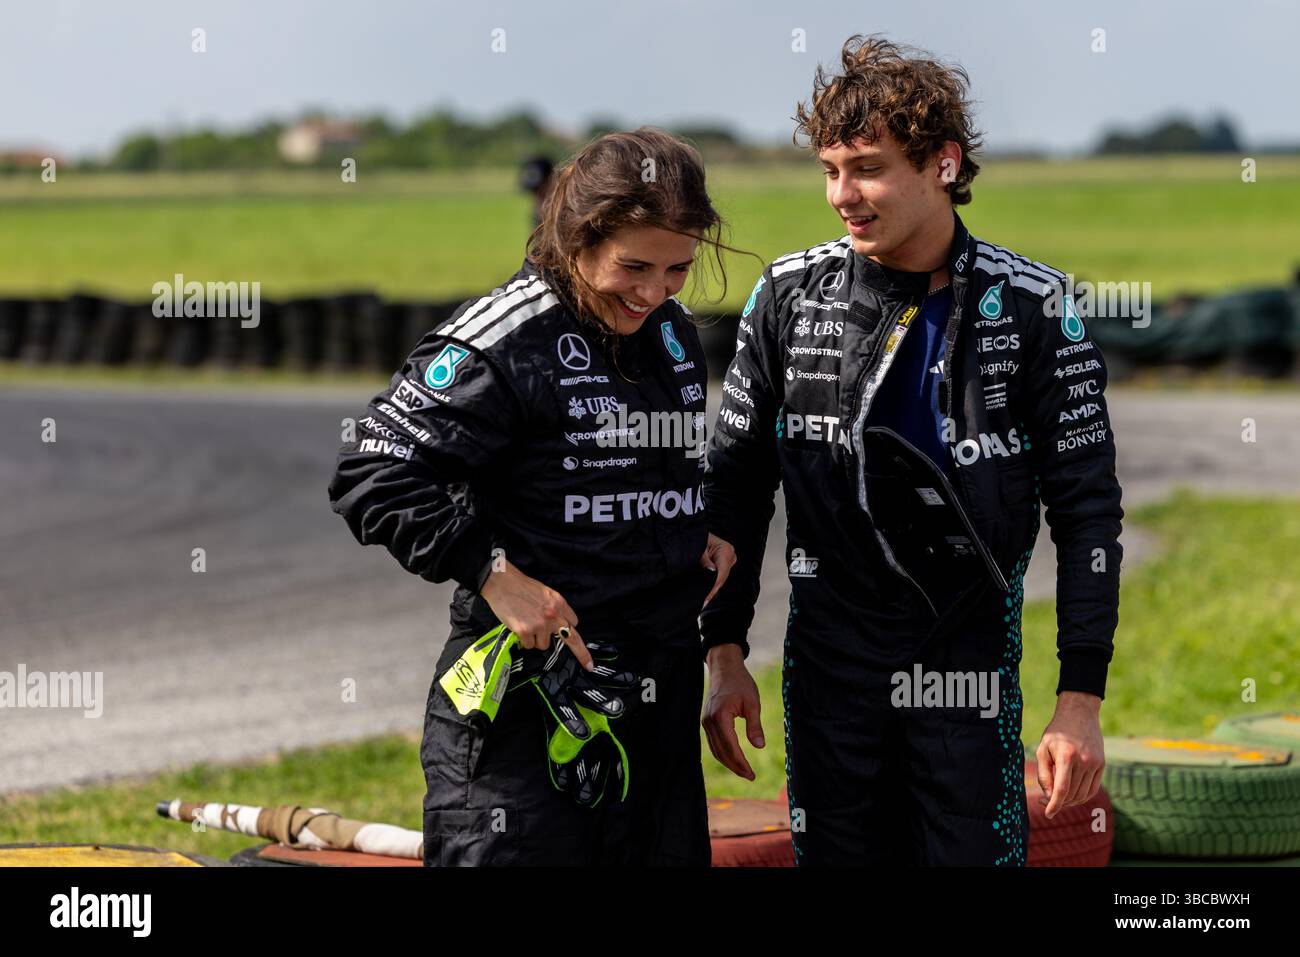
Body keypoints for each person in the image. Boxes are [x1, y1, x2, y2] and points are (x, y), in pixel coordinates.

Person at [700, 35, 1124, 866]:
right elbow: (733, 484)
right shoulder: (787, 295)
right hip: (829, 655)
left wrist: (1081, 697)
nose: (841, 195)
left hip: (966, 657)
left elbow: (1089, 512)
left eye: (866, 168)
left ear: (943, 162)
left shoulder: (1036, 307)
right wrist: (723, 650)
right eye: (829, 170)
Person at [329, 127, 739, 866]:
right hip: (526, 706)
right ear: (580, 238)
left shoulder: (672, 333)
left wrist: (688, 521)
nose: (653, 291)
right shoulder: (505, 338)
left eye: (678, 268)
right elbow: (370, 469)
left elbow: (630, 463)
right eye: (633, 266)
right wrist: (493, 574)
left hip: (655, 703)